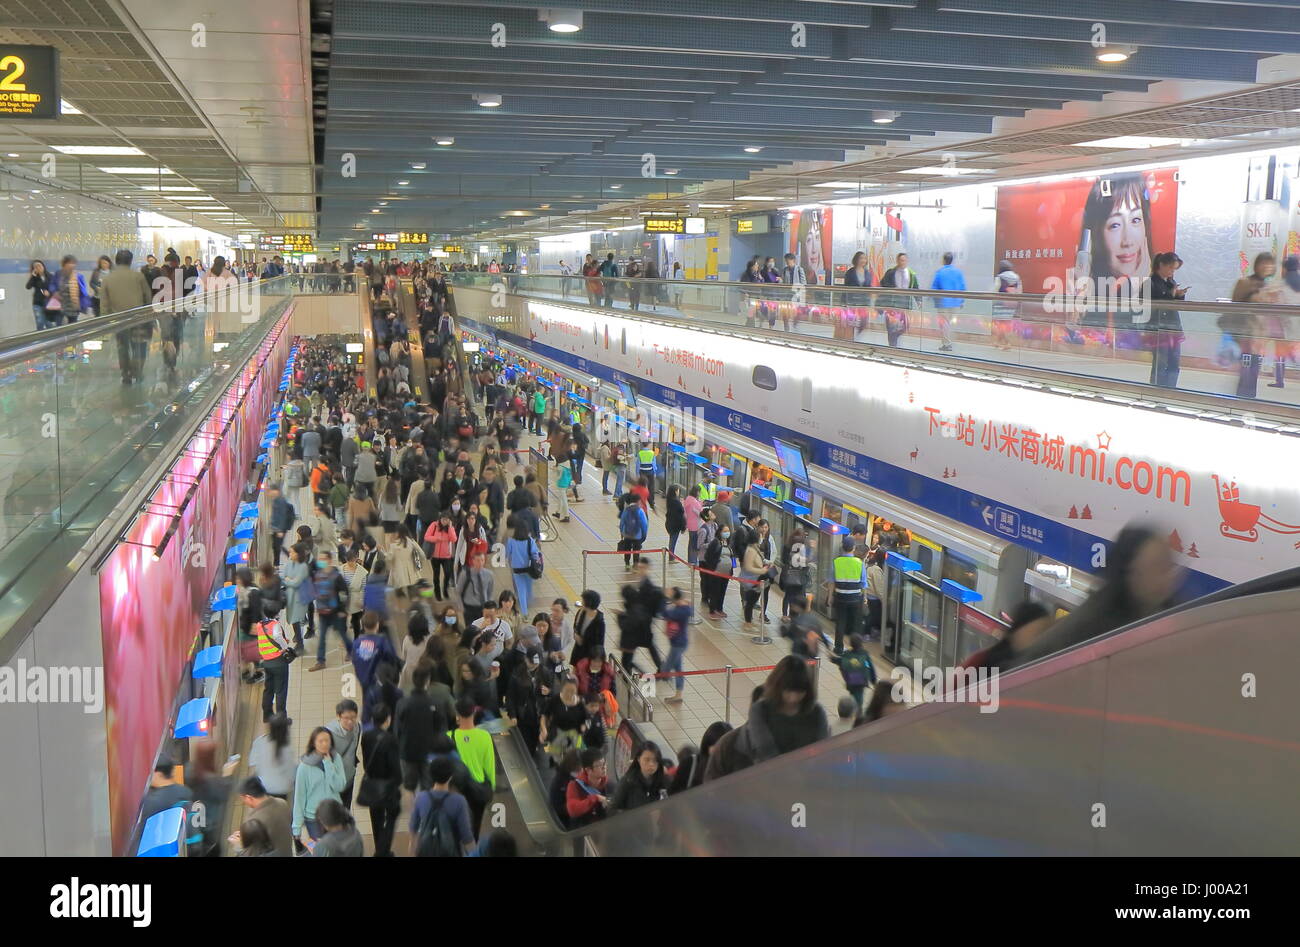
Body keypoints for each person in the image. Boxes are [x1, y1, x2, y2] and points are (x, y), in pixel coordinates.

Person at [1009, 524, 1181, 670]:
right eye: (1157, 567)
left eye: (1169, 566)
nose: (1169, 576)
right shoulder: (1090, 626)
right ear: (1130, 573)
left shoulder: (1172, 616)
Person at [705, 656, 830, 781]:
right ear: (777, 688)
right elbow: (766, 751)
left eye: (799, 692)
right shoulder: (730, 745)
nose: (793, 699)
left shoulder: (817, 714)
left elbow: (822, 751)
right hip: (756, 780)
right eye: (788, 692)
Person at [99, 250, 154, 384]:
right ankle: (138, 371)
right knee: (139, 346)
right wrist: (149, 315)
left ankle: (126, 374)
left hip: (119, 319)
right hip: (138, 318)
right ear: (130, 261)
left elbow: (104, 303)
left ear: (116, 261)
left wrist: (105, 321)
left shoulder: (107, 279)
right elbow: (148, 297)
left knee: (122, 346)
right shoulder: (138, 276)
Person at [1227, 251, 1276, 399]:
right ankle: (1242, 400)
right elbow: (1235, 307)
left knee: (1254, 369)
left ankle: (1249, 399)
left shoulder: (1268, 286)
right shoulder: (1244, 283)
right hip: (1245, 333)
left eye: (1270, 263)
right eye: (1264, 262)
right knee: (1246, 368)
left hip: (1259, 335)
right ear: (1257, 265)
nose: (1267, 266)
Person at [409, 755, 477, 856]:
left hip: (427, 851)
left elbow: (413, 829)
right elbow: (466, 837)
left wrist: (412, 850)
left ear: (431, 775)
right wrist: (475, 853)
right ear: (451, 776)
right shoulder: (459, 801)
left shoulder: (421, 798)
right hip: (450, 852)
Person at [358, 702, 402, 857]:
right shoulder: (390, 739)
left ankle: (379, 848)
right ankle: (383, 852)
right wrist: (398, 782)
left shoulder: (366, 736)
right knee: (391, 817)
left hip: (372, 784)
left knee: (376, 820)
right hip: (388, 785)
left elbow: (365, 760)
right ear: (387, 719)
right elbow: (395, 767)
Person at [394, 666, 447, 793]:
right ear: (427, 681)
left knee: (410, 785)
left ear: (413, 680)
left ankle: (414, 808)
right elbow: (442, 729)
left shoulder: (402, 703)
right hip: (429, 752)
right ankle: (426, 808)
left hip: (407, 751)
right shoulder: (435, 703)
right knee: (428, 785)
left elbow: (397, 730)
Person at [962, 601, 1053, 673]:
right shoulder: (982, 663)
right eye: (1037, 632)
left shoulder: (1043, 668)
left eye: (1046, 632)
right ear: (1018, 631)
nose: (1042, 639)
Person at [449, 697, 495, 838]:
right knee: (474, 830)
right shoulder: (485, 736)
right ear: (474, 713)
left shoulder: (449, 737)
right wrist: (491, 789)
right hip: (478, 790)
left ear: (457, 715)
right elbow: (489, 766)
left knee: (456, 830)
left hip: (457, 790)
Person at [292, 727, 347, 842]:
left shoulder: (336, 759)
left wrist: (328, 764)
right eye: (320, 741)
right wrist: (296, 828)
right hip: (314, 819)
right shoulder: (304, 767)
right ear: (313, 743)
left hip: (334, 814)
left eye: (327, 740)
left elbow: (340, 786)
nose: (324, 744)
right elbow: (299, 797)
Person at [619, 559, 666, 674]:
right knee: (647, 643)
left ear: (647, 568)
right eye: (639, 567)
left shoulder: (647, 584)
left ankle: (629, 666)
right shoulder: (643, 581)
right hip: (642, 618)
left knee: (643, 643)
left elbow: (644, 602)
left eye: (642, 567)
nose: (640, 570)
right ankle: (659, 667)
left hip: (644, 619)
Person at [307, 550, 352, 672]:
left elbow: (344, 593)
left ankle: (351, 650)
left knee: (342, 634)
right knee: (322, 637)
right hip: (323, 613)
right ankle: (320, 661)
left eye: (323, 559)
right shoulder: (318, 575)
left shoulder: (337, 576)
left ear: (329, 560)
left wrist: (343, 610)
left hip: (336, 612)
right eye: (319, 559)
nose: (320, 561)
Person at [254, 601, 295, 720]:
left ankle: (267, 714)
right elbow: (277, 636)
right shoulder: (275, 624)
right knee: (281, 690)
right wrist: (284, 648)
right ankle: (281, 718)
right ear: (276, 612)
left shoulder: (259, 625)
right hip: (278, 661)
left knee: (269, 689)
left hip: (266, 662)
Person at [235, 777, 293, 856]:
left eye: (243, 798)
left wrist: (239, 845)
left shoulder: (254, 822)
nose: (243, 802)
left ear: (249, 797)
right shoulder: (282, 803)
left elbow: (251, 854)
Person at [612, 740, 672, 812]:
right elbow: (612, 810)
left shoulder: (665, 781)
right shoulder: (627, 782)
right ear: (638, 759)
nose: (651, 764)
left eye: (655, 760)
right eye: (647, 760)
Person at [830, 535, 866, 654]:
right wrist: (864, 598)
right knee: (856, 623)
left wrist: (830, 596)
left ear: (842, 547)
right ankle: (856, 648)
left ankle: (838, 648)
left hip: (840, 597)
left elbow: (832, 581)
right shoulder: (859, 563)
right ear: (853, 548)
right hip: (855, 598)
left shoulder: (836, 562)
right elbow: (863, 583)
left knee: (840, 622)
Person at [248, 713, 295, 801]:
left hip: (264, 787)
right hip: (282, 789)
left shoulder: (259, 741)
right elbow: (290, 774)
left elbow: (252, 764)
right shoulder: (286, 748)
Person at [325, 699, 362, 809]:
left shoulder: (358, 728)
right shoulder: (328, 733)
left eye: (353, 717)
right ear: (338, 716)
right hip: (333, 783)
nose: (350, 721)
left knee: (346, 810)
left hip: (349, 777)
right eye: (346, 718)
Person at [878, 251, 919, 346]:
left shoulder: (911, 274)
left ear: (907, 261)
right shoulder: (890, 272)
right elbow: (882, 286)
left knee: (905, 325)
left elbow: (916, 288)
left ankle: (895, 338)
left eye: (904, 260)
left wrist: (918, 300)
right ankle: (892, 346)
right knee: (891, 327)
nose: (902, 262)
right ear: (897, 261)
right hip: (892, 304)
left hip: (904, 305)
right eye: (900, 260)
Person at [660, 587, 692, 703]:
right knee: (678, 669)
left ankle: (663, 676)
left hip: (678, 644)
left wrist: (665, 598)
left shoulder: (680, 611)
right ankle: (678, 694)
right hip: (678, 642)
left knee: (667, 668)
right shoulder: (683, 607)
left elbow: (664, 613)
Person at [831, 633, 877, 713]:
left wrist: (832, 658)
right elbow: (871, 667)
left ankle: (852, 710)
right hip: (861, 681)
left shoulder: (847, 654)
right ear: (861, 643)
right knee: (859, 698)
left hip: (851, 680)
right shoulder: (864, 653)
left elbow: (840, 661)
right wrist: (874, 681)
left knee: (853, 695)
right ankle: (858, 712)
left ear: (851, 644)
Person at [930, 251, 966, 352]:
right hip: (956, 303)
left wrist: (930, 297)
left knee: (944, 324)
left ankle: (947, 344)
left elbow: (934, 287)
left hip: (943, 303)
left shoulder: (940, 272)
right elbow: (963, 287)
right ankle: (948, 342)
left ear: (944, 260)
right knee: (949, 323)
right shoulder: (958, 272)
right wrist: (962, 301)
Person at [565, 747, 610, 828]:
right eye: (599, 765)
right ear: (588, 770)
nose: (604, 767)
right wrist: (595, 798)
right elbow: (572, 810)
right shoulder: (574, 786)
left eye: (604, 763)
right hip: (582, 832)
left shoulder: (610, 785)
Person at [700, 518, 733, 620]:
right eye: (725, 531)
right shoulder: (715, 542)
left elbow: (731, 556)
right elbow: (708, 557)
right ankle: (712, 610)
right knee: (715, 591)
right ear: (720, 532)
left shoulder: (728, 542)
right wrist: (715, 565)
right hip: (716, 572)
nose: (727, 533)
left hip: (726, 573)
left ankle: (720, 608)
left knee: (722, 591)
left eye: (728, 531)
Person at [506, 520, 540, 613]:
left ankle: (525, 612)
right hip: (529, 568)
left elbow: (507, 553)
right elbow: (535, 554)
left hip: (517, 569)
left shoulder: (511, 540)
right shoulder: (530, 540)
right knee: (529, 587)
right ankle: (529, 602)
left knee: (521, 590)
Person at [423, 511, 458, 599]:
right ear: (440, 519)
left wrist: (450, 527)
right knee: (436, 575)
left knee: (447, 573)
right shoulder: (434, 525)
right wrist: (436, 538)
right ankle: (437, 592)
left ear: (449, 520)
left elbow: (454, 539)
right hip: (435, 556)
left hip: (446, 556)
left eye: (446, 520)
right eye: (443, 519)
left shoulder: (450, 528)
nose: (444, 521)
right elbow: (426, 536)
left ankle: (445, 589)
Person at [456, 551, 495, 626]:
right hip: (469, 607)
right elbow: (458, 592)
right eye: (478, 560)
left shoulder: (489, 574)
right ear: (473, 561)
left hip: (484, 607)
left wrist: (490, 607)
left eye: (482, 560)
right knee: (471, 629)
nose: (480, 563)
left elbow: (490, 592)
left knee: (484, 628)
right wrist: (461, 607)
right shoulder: (465, 574)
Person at [779, 528, 811, 617]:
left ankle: (786, 615)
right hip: (798, 576)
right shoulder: (802, 547)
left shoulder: (787, 546)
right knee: (797, 596)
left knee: (788, 596)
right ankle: (794, 615)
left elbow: (784, 560)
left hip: (790, 576)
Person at [991, 259, 1022, 352]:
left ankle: (1007, 343)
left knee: (1001, 324)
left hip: (1001, 303)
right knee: (1005, 323)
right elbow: (1020, 291)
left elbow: (995, 290)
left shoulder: (999, 277)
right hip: (1012, 303)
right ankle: (997, 341)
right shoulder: (1017, 277)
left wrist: (993, 301)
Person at [570, 589, 605, 665]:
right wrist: (576, 635)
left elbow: (600, 642)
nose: (581, 602)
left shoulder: (599, 621)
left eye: (583, 601)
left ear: (588, 603)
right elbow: (576, 626)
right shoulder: (581, 612)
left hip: (590, 653)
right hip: (579, 649)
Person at [618, 490, 649, 568]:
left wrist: (622, 532)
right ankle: (635, 564)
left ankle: (627, 563)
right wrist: (644, 535)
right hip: (637, 535)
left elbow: (622, 522)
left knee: (627, 549)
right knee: (636, 550)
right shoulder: (640, 511)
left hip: (627, 534)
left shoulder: (626, 510)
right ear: (638, 501)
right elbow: (644, 524)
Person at [865, 548, 886, 640]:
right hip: (874, 597)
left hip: (869, 595)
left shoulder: (870, 565)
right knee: (873, 616)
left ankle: (869, 633)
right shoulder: (877, 570)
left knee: (872, 615)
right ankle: (867, 633)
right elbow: (879, 587)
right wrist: (883, 599)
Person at [26, 260, 52, 331]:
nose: (38, 268)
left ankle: (52, 339)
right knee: (40, 323)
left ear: (43, 266)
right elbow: (28, 287)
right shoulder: (34, 278)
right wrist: (33, 276)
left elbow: (55, 287)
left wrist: (50, 292)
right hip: (37, 303)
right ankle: (41, 340)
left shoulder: (49, 276)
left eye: (40, 266)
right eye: (36, 267)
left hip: (48, 303)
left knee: (49, 323)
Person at [664, 484, 686, 559]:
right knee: (673, 542)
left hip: (669, 524)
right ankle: (671, 557)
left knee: (672, 540)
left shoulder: (669, 501)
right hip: (675, 525)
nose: (678, 492)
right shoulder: (676, 503)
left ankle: (671, 556)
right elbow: (681, 516)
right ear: (675, 492)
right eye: (678, 490)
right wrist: (683, 527)